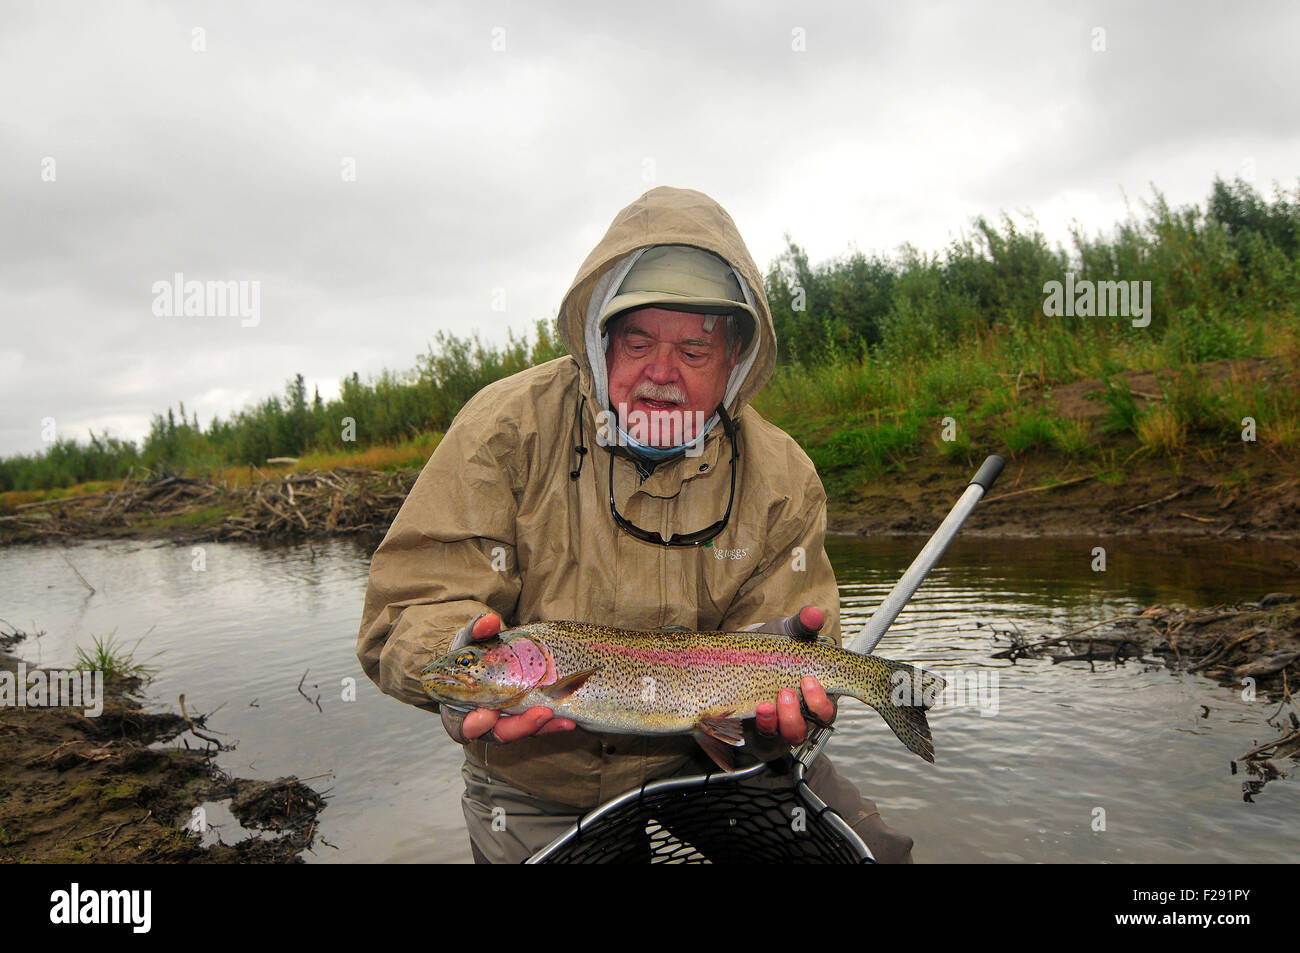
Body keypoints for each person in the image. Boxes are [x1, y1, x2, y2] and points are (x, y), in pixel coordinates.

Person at [357, 186, 915, 863]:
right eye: (639, 340)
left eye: (693, 350)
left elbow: (785, 634)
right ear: (602, 341)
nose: (661, 373)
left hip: (708, 757)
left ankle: (883, 688)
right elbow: (408, 607)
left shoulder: (783, 477)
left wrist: (776, 719)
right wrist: (453, 659)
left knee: (874, 855)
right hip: (534, 779)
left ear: (734, 357)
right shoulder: (504, 429)